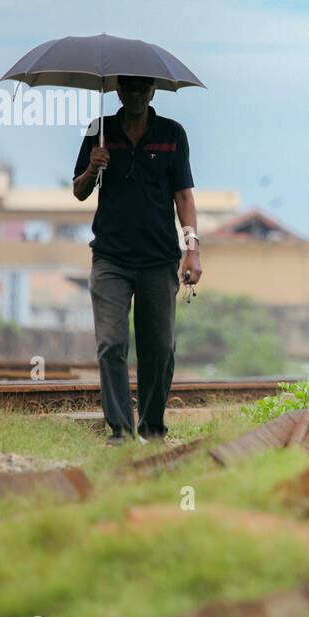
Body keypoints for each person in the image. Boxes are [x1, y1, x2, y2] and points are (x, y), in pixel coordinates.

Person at [72, 75, 202, 443]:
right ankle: (121, 431)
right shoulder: (99, 130)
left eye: (142, 89)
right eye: (128, 88)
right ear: (117, 91)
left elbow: (184, 196)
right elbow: (79, 191)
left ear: (152, 92)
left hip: (158, 259)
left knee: (158, 347)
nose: (135, 95)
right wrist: (92, 168)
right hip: (110, 258)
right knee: (111, 343)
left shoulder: (172, 134)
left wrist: (192, 248)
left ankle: (152, 428)